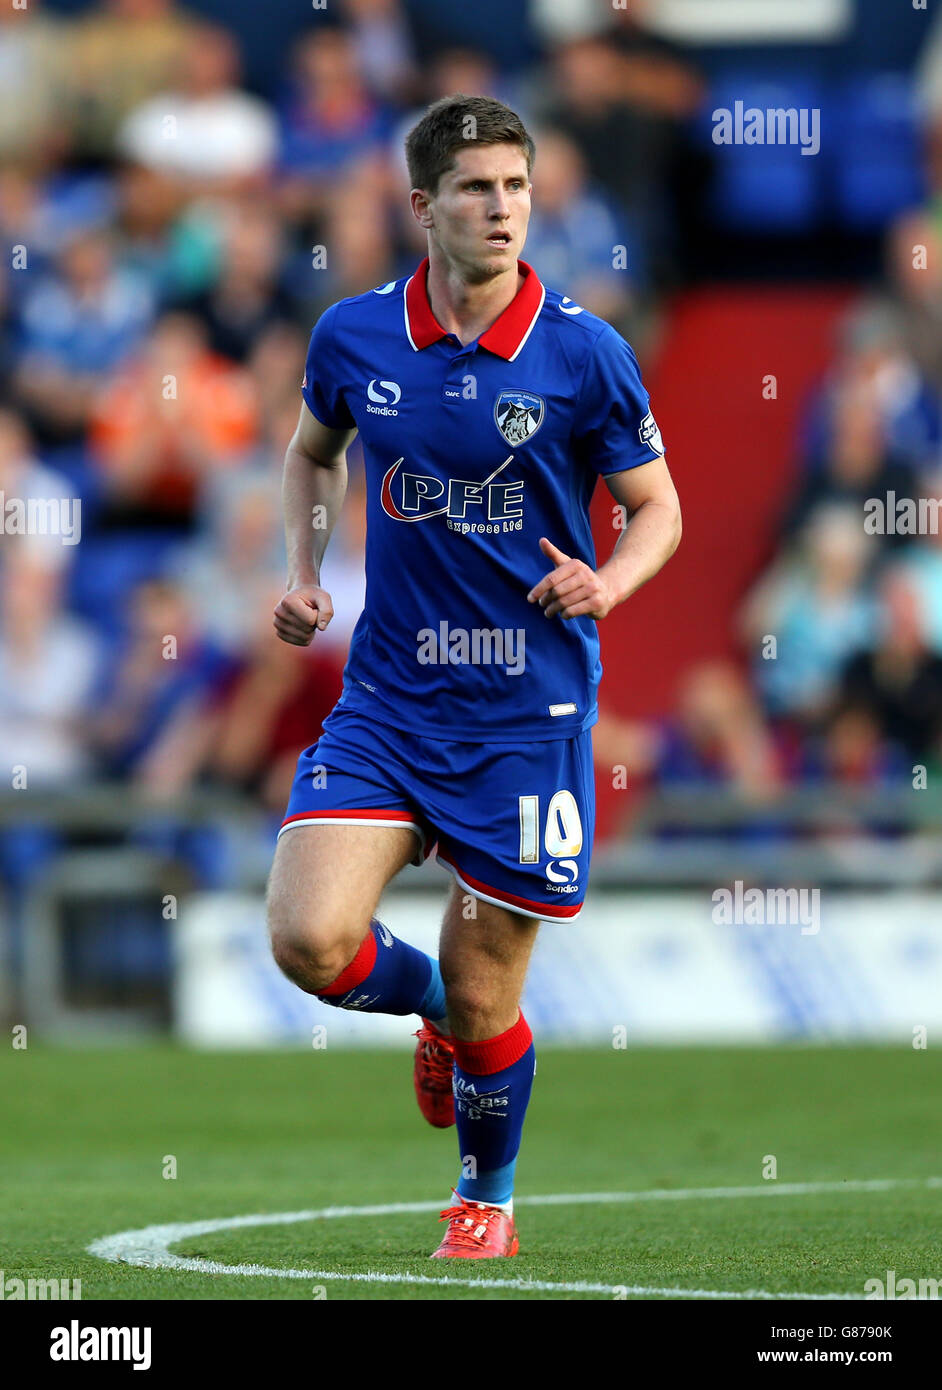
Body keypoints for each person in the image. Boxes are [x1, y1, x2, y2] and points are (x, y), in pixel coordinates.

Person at [266, 95, 681, 1259]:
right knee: (307, 938)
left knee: (492, 983)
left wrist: (608, 581)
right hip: (391, 699)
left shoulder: (583, 351)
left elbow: (659, 510)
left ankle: (485, 1202)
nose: (502, 209)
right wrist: (303, 567)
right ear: (422, 209)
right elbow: (312, 450)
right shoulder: (354, 336)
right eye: (476, 190)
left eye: (516, 187)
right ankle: (435, 1015)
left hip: (526, 714)